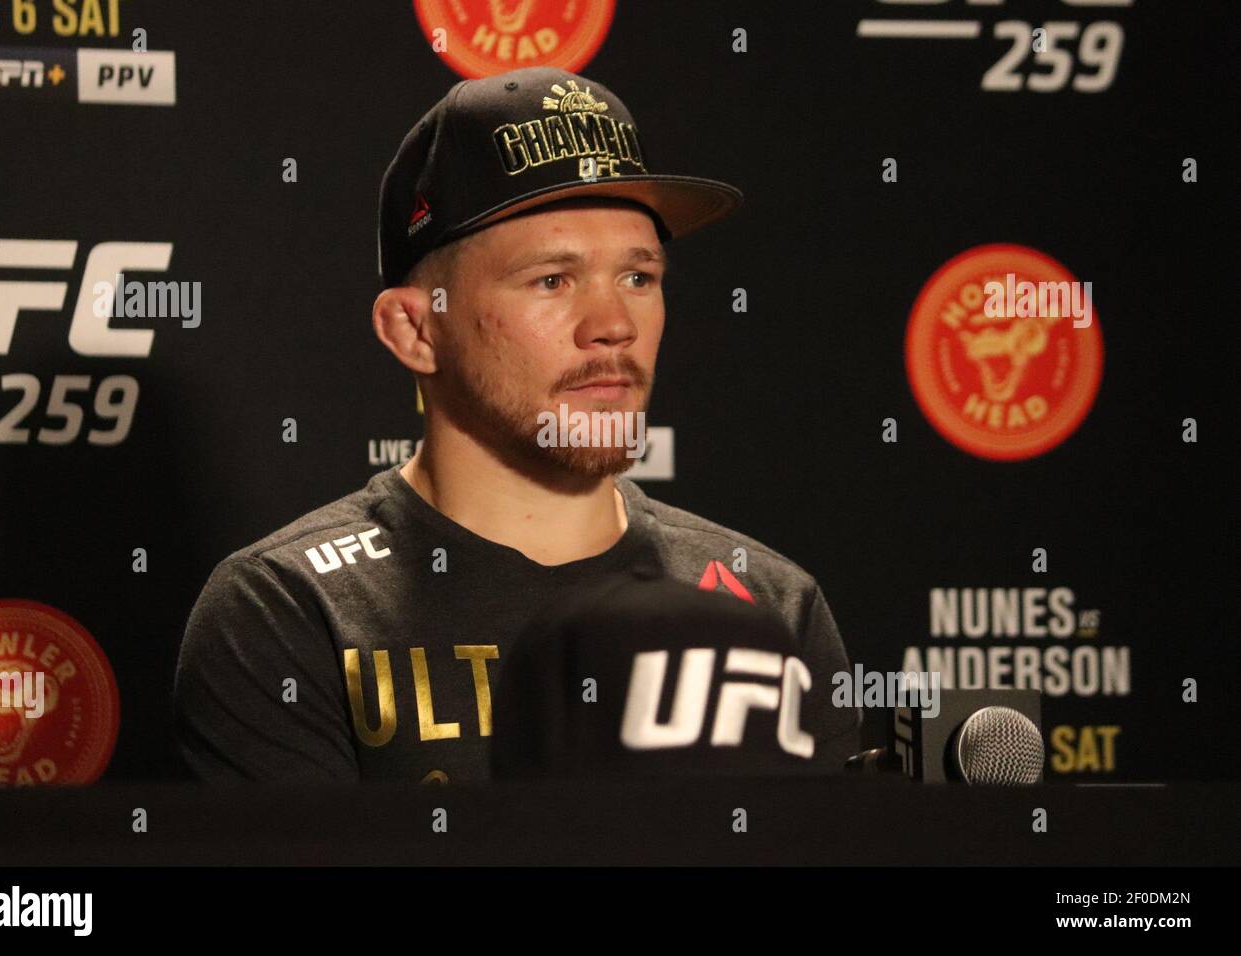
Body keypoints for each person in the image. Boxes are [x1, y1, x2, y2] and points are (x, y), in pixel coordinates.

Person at [173, 66, 859, 783]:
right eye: (552, 280)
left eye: (638, 278)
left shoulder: (772, 607)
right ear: (414, 329)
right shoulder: (288, 612)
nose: (613, 326)